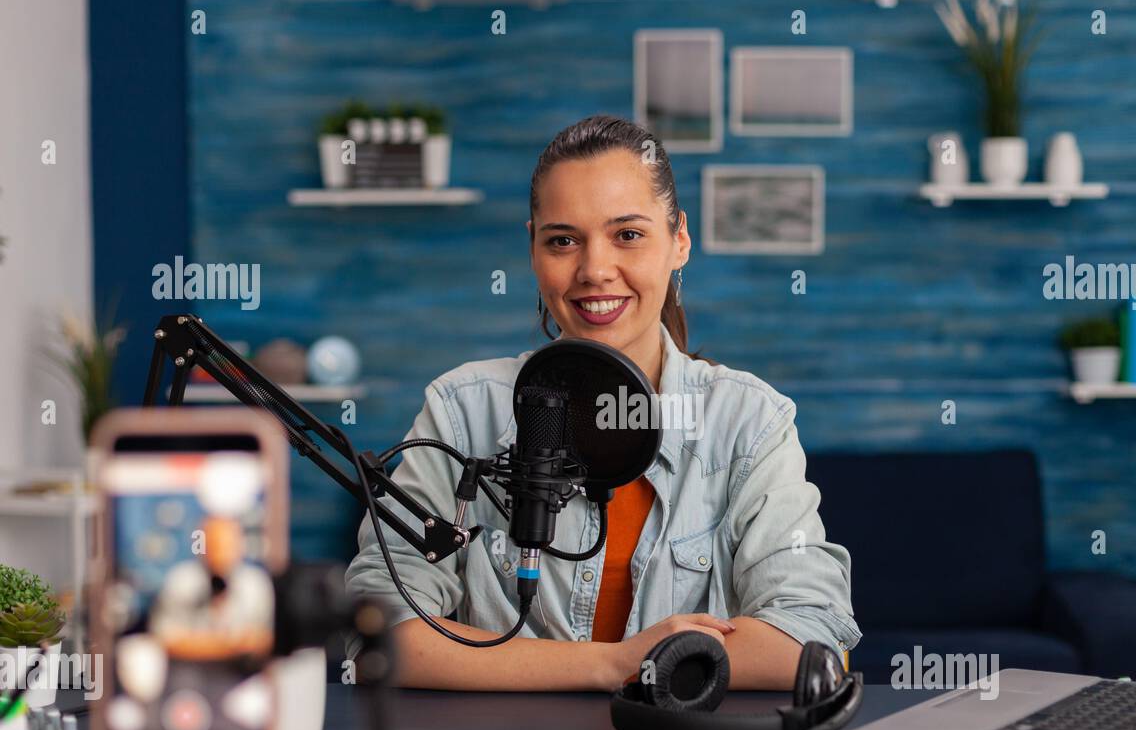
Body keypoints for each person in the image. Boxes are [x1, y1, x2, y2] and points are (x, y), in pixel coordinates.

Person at [345, 114, 858, 690]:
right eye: (563, 240)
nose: (594, 270)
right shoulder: (462, 411)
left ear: (679, 240)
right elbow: (380, 634)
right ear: (534, 250)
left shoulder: (749, 422)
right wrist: (616, 663)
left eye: (628, 235)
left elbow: (813, 639)